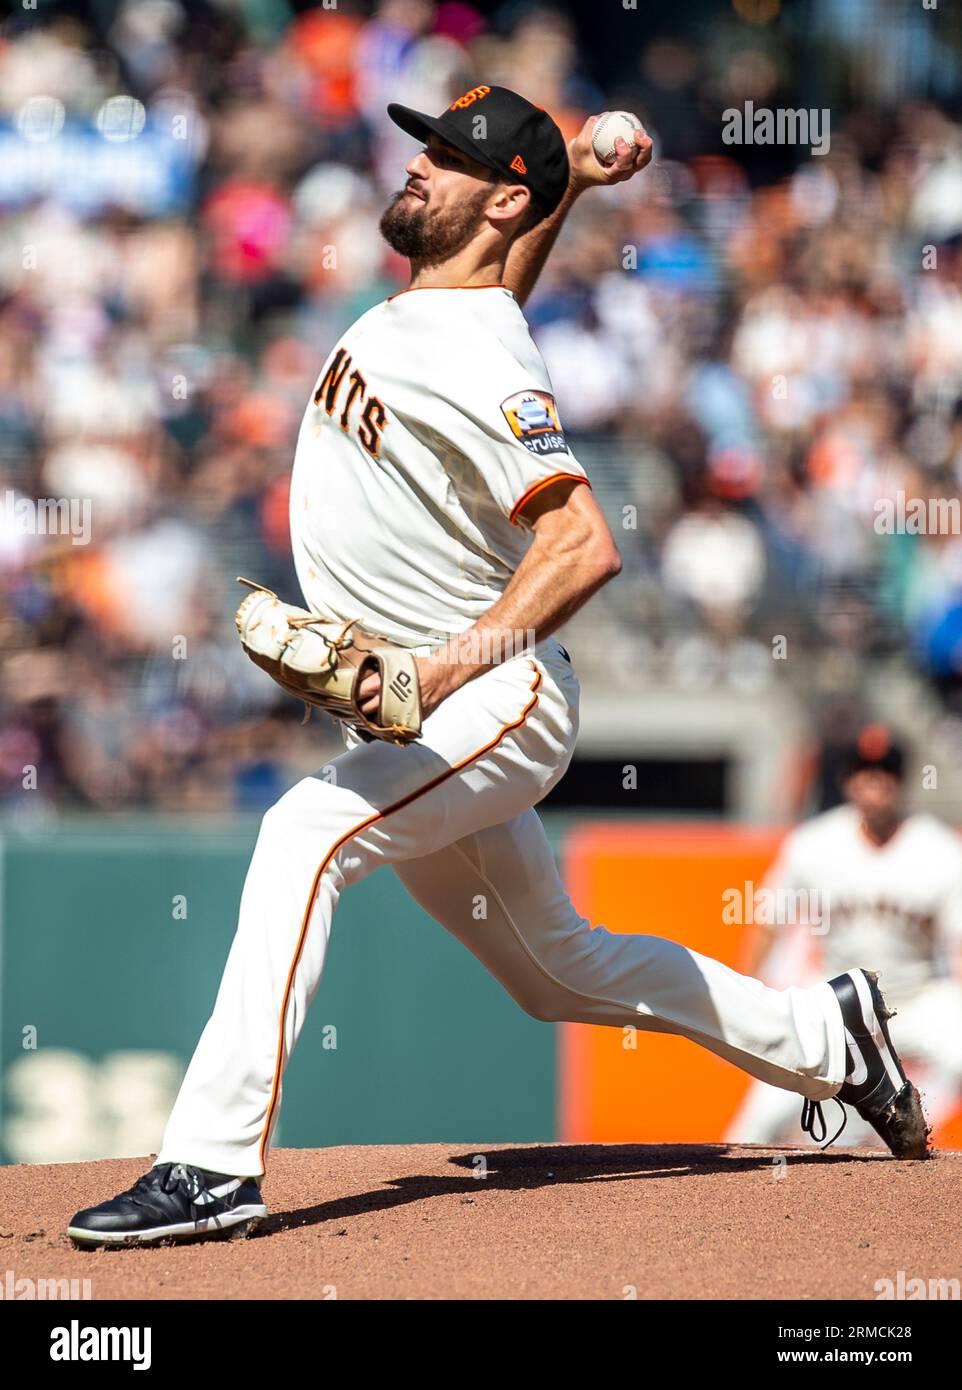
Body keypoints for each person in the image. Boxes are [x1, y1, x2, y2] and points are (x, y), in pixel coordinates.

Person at [67, 88, 929, 1247]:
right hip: (430, 711)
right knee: (552, 969)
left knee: (301, 836)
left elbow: (583, 542)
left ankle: (213, 1165)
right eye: (423, 145)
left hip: (491, 699)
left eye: (448, 157)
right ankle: (828, 1037)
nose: (417, 165)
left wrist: (436, 666)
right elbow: (493, 286)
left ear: (500, 199)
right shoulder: (452, 310)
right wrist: (571, 166)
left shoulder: (479, 351)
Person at [727, 725, 962, 1148]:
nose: (875, 782)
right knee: (761, 1112)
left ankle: (899, 1130)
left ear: (902, 780)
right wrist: (747, 995)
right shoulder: (813, 844)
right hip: (836, 1002)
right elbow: (769, 923)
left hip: (917, 1000)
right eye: (864, 771)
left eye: (885, 771)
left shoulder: (940, 850)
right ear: (846, 779)